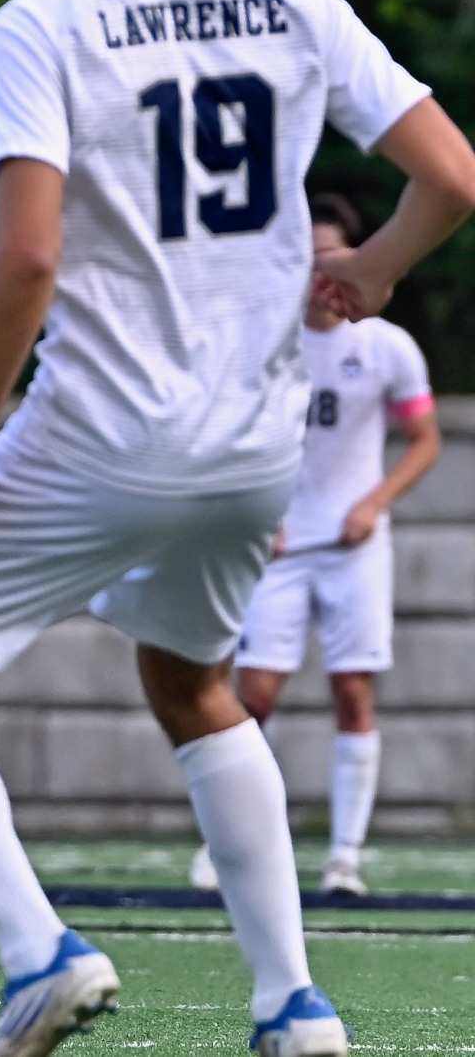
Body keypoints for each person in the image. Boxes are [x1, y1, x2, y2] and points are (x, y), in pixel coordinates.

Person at [0, 0, 475, 1054]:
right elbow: (452, 176)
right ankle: (294, 1004)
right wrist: (375, 267)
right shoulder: (298, 3)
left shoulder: (41, 21)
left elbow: (31, 252)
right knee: (195, 683)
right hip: (256, 446)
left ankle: (38, 950)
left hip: (100, 426)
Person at [189, 194, 441, 899]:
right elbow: (228, 432)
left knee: (352, 693)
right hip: (277, 544)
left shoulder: (386, 346)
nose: (320, 272)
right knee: (252, 696)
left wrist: (371, 503)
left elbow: (424, 439)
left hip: (355, 546)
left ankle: (344, 858)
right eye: (308, 257)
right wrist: (256, 514)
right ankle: (225, 845)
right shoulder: (262, 341)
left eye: (333, 256)